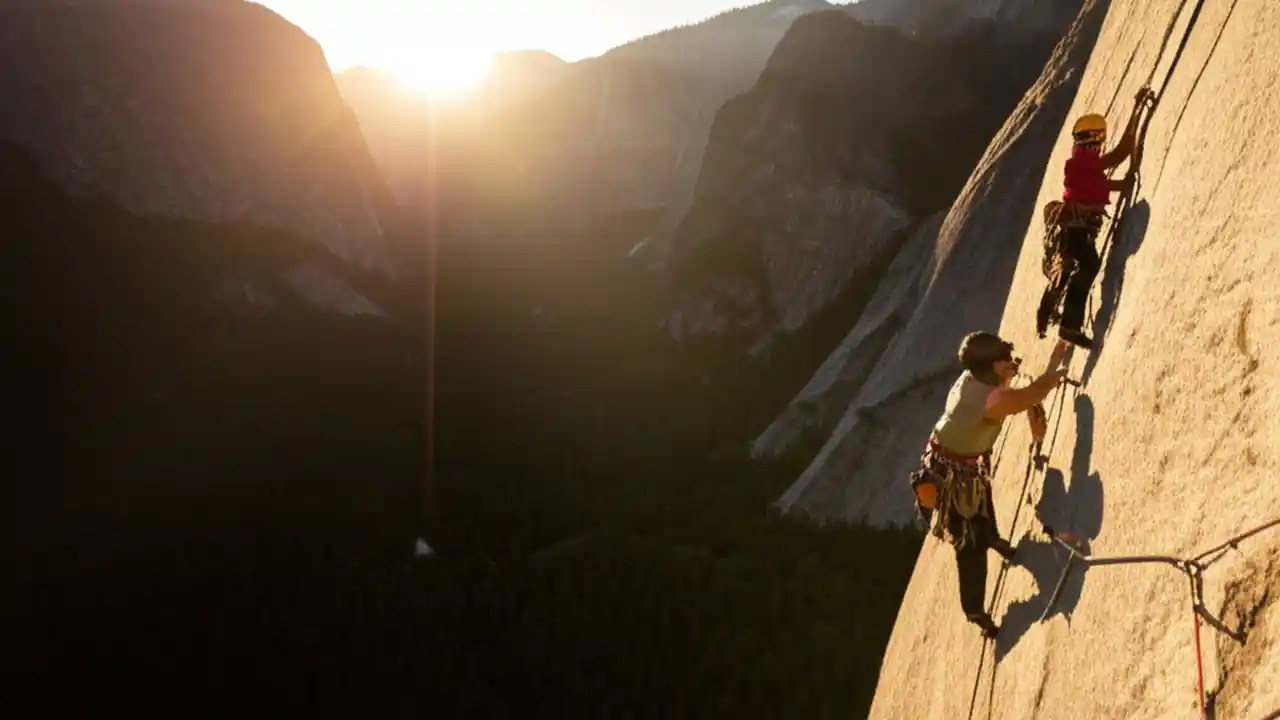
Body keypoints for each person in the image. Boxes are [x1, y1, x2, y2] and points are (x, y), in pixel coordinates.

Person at [909, 332, 1070, 638]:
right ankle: (976, 613)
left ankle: (995, 540)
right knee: (969, 546)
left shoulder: (971, 379)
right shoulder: (993, 398)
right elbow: (1031, 395)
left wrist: (1020, 376)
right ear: (993, 365)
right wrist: (1054, 370)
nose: (1011, 363)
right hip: (954, 478)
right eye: (1005, 361)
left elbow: (1011, 394)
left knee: (981, 505)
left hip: (949, 465)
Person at [1052, 86, 1156, 349]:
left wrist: (1123, 182)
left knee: (1085, 266)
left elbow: (1099, 186)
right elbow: (1118, 155)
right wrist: (1136, 112)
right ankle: (1068, 326)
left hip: (1074, 228)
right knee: (1087, 266)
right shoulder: (1083, 162)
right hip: (1075, 229)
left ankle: (1065, 320)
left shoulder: (1081, 163)